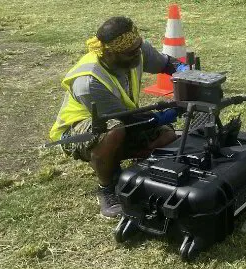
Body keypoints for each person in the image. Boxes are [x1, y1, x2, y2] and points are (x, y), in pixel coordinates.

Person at [49, 16, 187, 217]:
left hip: (123, 121)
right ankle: (107, 188)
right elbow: (127, 121)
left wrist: (183, 72)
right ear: (110, 53)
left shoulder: (135, 49)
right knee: (114, 131)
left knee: (167, 136)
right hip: (77, 131)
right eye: (131, 53)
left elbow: (166, 64)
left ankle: (133, 172)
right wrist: (165, 115)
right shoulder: (89, 81)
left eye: (138, 48)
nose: (138, 55)